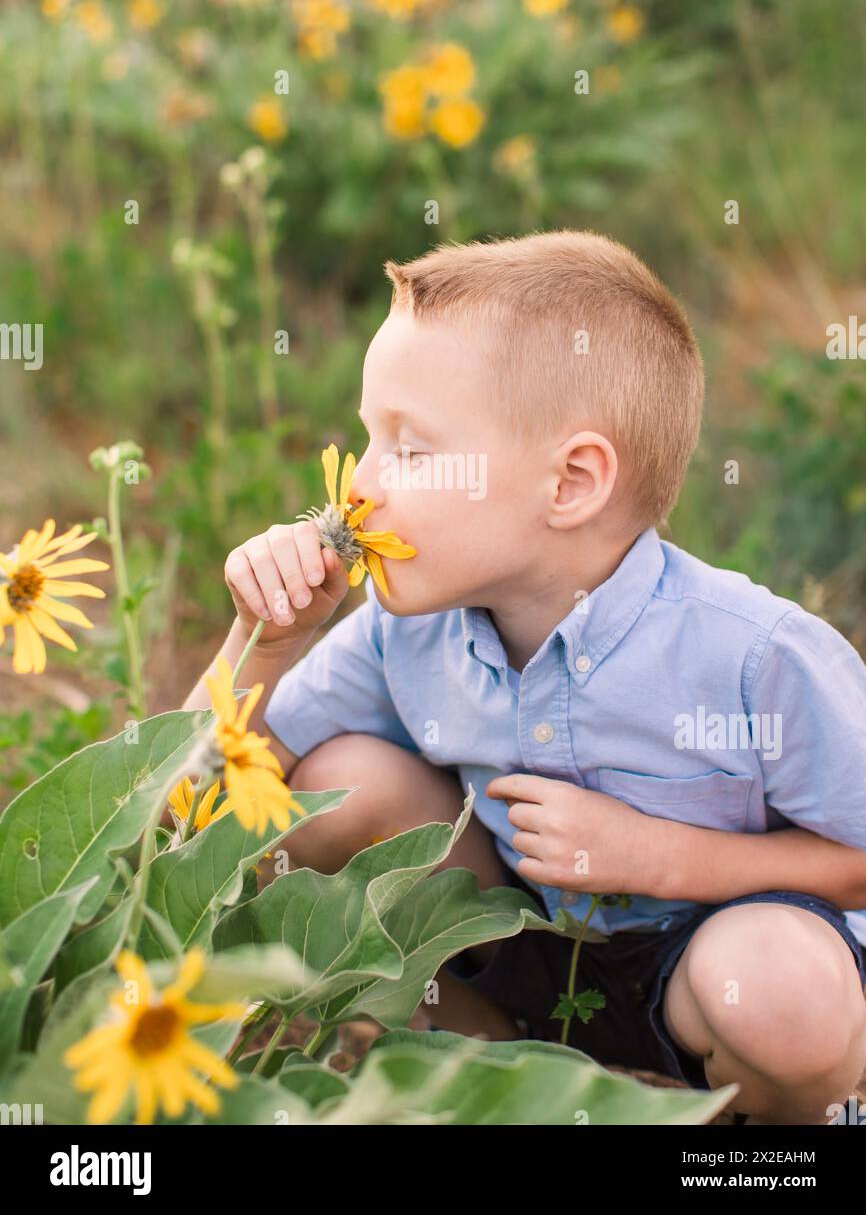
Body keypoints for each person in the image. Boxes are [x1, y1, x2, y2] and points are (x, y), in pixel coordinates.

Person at [184, 229, 866, 1125]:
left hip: (708, 965)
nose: (359, 490)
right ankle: (499, 1076)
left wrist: (656, 855)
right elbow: (199, 792)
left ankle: (768, 1140)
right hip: (518, 946)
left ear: (572, 483)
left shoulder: (755, 654)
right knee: (338, 787)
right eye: (367, 440)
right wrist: (263, 644)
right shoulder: (406, 627)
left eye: (412, 452)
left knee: (781, 995)